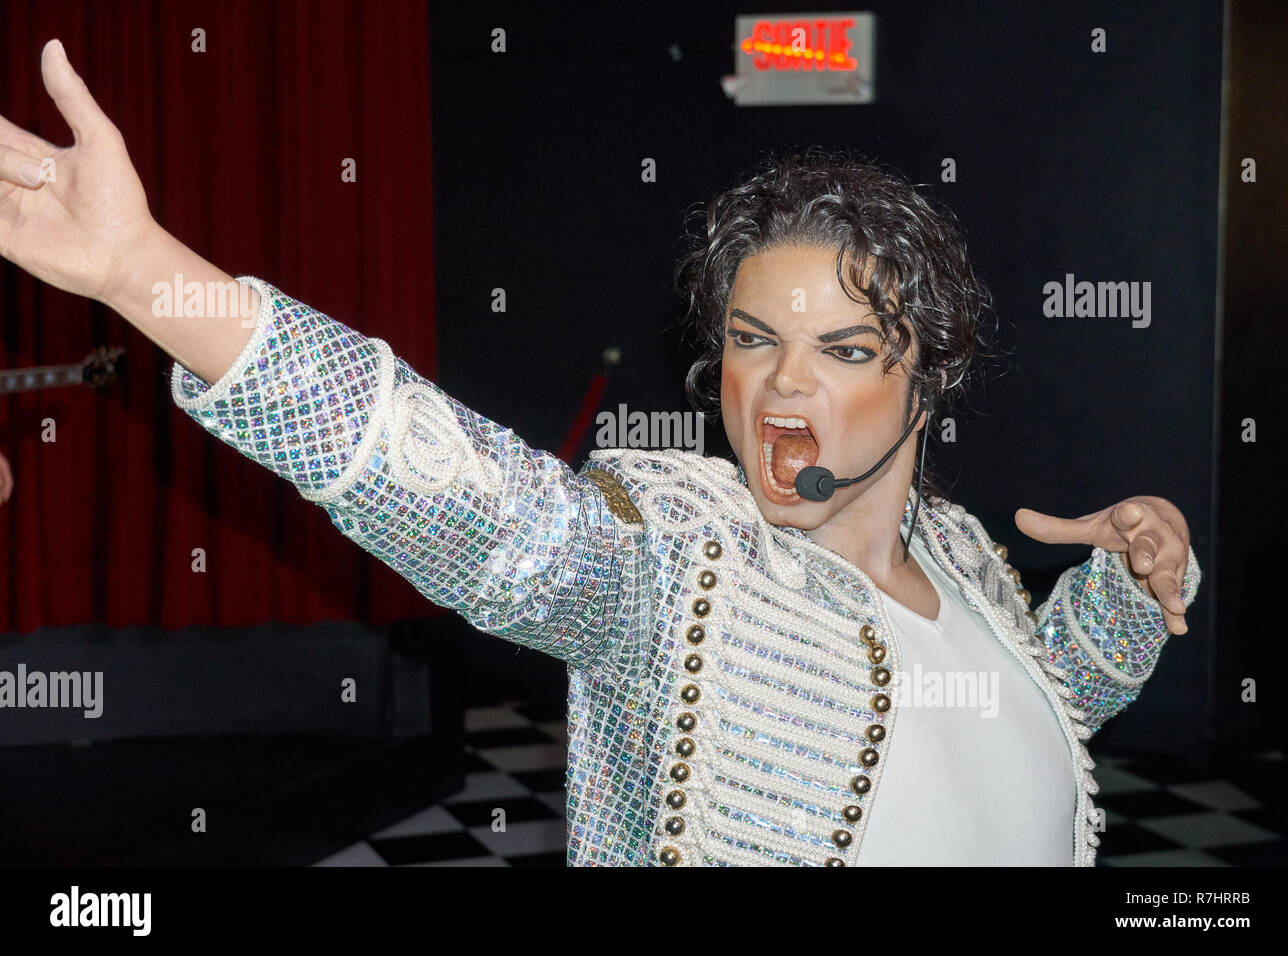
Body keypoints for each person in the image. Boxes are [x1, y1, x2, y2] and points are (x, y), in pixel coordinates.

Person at [0, 40, 1199, 866]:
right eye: (750, 339)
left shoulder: (964, 560)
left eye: (840, 347)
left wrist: (1136, 586)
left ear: (925, 377)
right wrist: (141, 274)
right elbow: (481, 507)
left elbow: (1009, 722)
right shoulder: (677, 567)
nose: (783, 380)